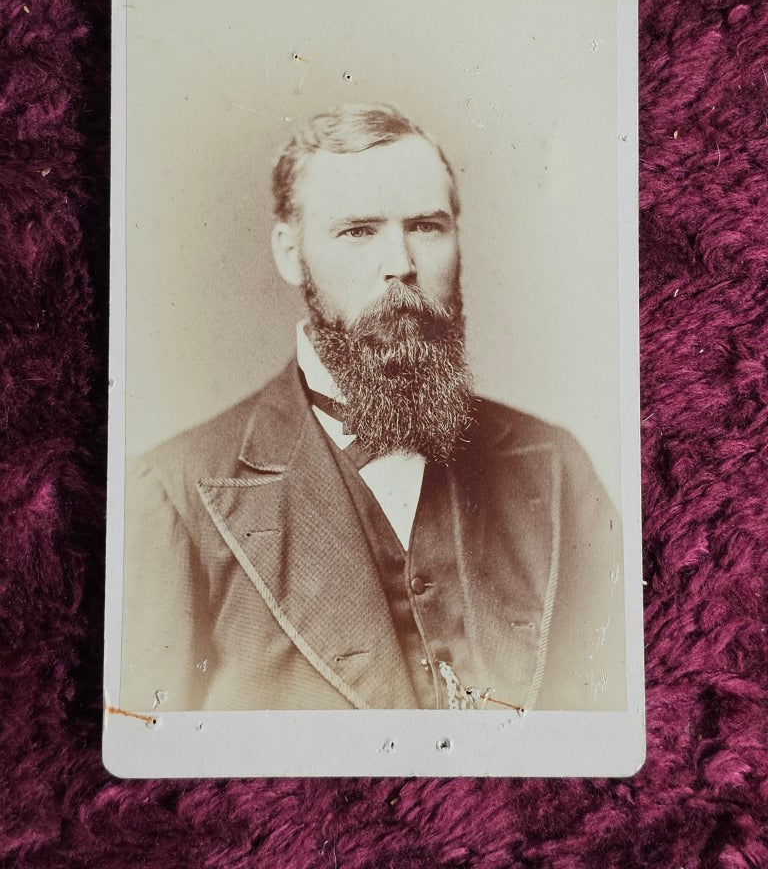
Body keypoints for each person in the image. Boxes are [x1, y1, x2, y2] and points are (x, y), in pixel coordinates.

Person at [120, 103, 626, 713]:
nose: (401, 266)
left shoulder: (554, 466)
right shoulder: (176, 492)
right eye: (359, 231)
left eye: (427, 227)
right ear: (289, 253)